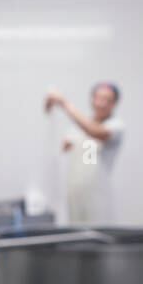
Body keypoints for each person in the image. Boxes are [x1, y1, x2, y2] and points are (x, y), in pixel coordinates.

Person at [44, 82, 124, 225]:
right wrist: (51, 112)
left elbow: (95, 131)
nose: (102, 103)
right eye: (99, 98)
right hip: (75, 198)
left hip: (97, 201)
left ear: (114, 104)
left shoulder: (115, 126)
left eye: (108, 100)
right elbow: (68, 150)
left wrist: (63, 103)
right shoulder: (78, 127)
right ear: (92, 99)